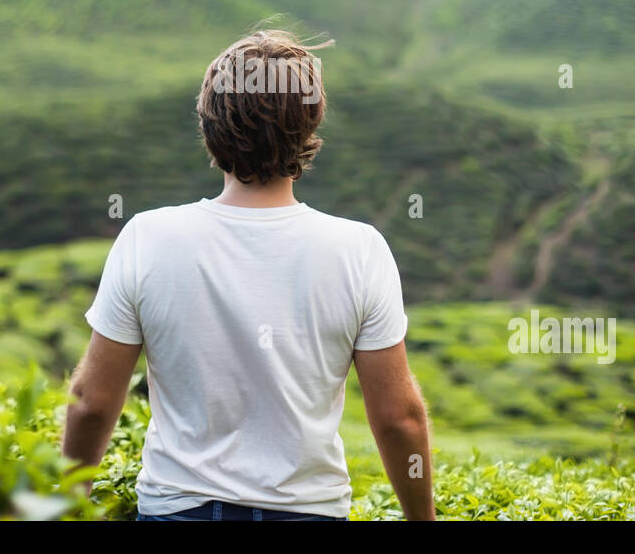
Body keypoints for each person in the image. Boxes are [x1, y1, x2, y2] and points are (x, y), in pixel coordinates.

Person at [62, 28, 434, 521]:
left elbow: (90, 403)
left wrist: (66, 507)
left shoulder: (147, 238)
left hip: (178, 510)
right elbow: (398, 419)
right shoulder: (359, 250)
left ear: (209, 125)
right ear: (308, 125)